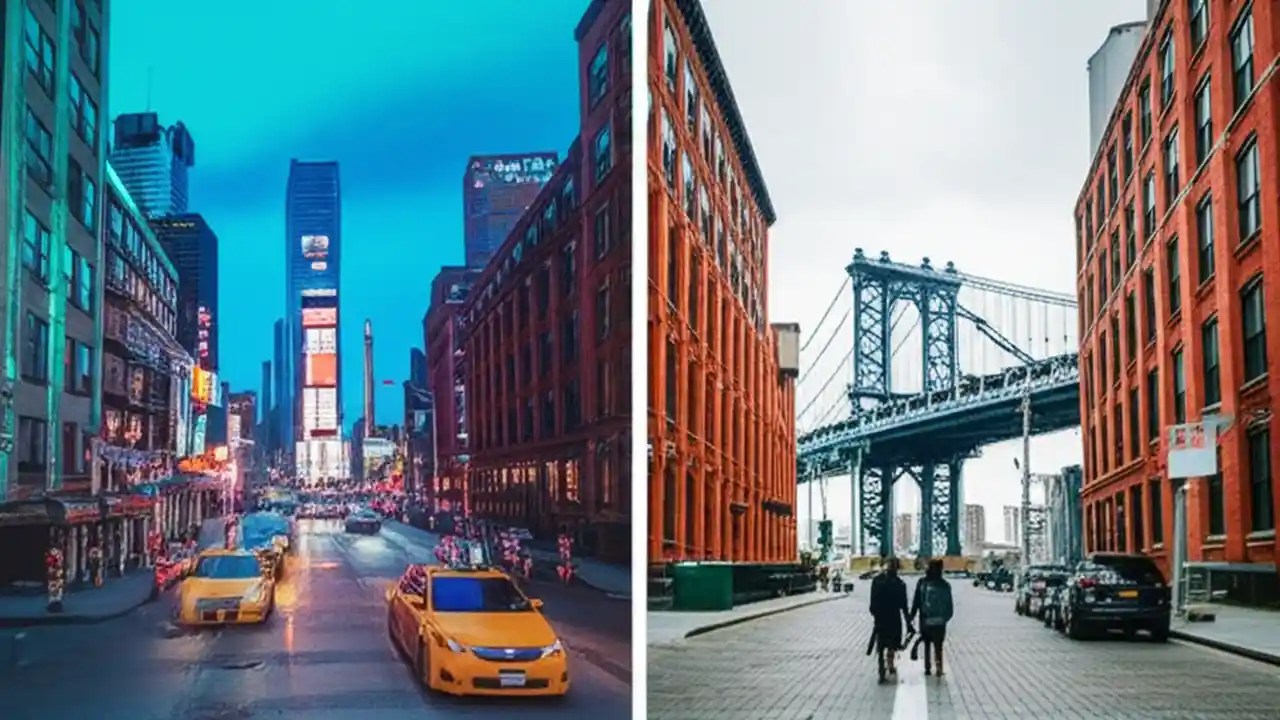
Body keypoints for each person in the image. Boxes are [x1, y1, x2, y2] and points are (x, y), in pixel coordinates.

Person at [868, 557, 912, 683]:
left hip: (881, 617)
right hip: (894, 618)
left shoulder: (877, 581)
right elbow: (904, 606)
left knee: (881, 644)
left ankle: (881, 669)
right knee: (892, 644)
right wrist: (908, 622)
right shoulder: (900, 584)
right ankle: (890, 664)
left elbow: (872, 602)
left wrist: (875, 614)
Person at [909, 558, 955, 677]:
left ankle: (927, 667)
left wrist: (911, 617)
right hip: (940, 622)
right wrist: (945, 618)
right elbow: (949, 605)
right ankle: (939, 667)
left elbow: (916, 601)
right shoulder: (945, 585)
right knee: (938, 646)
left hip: (925, 619)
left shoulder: (922, 582)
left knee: (927, 644)